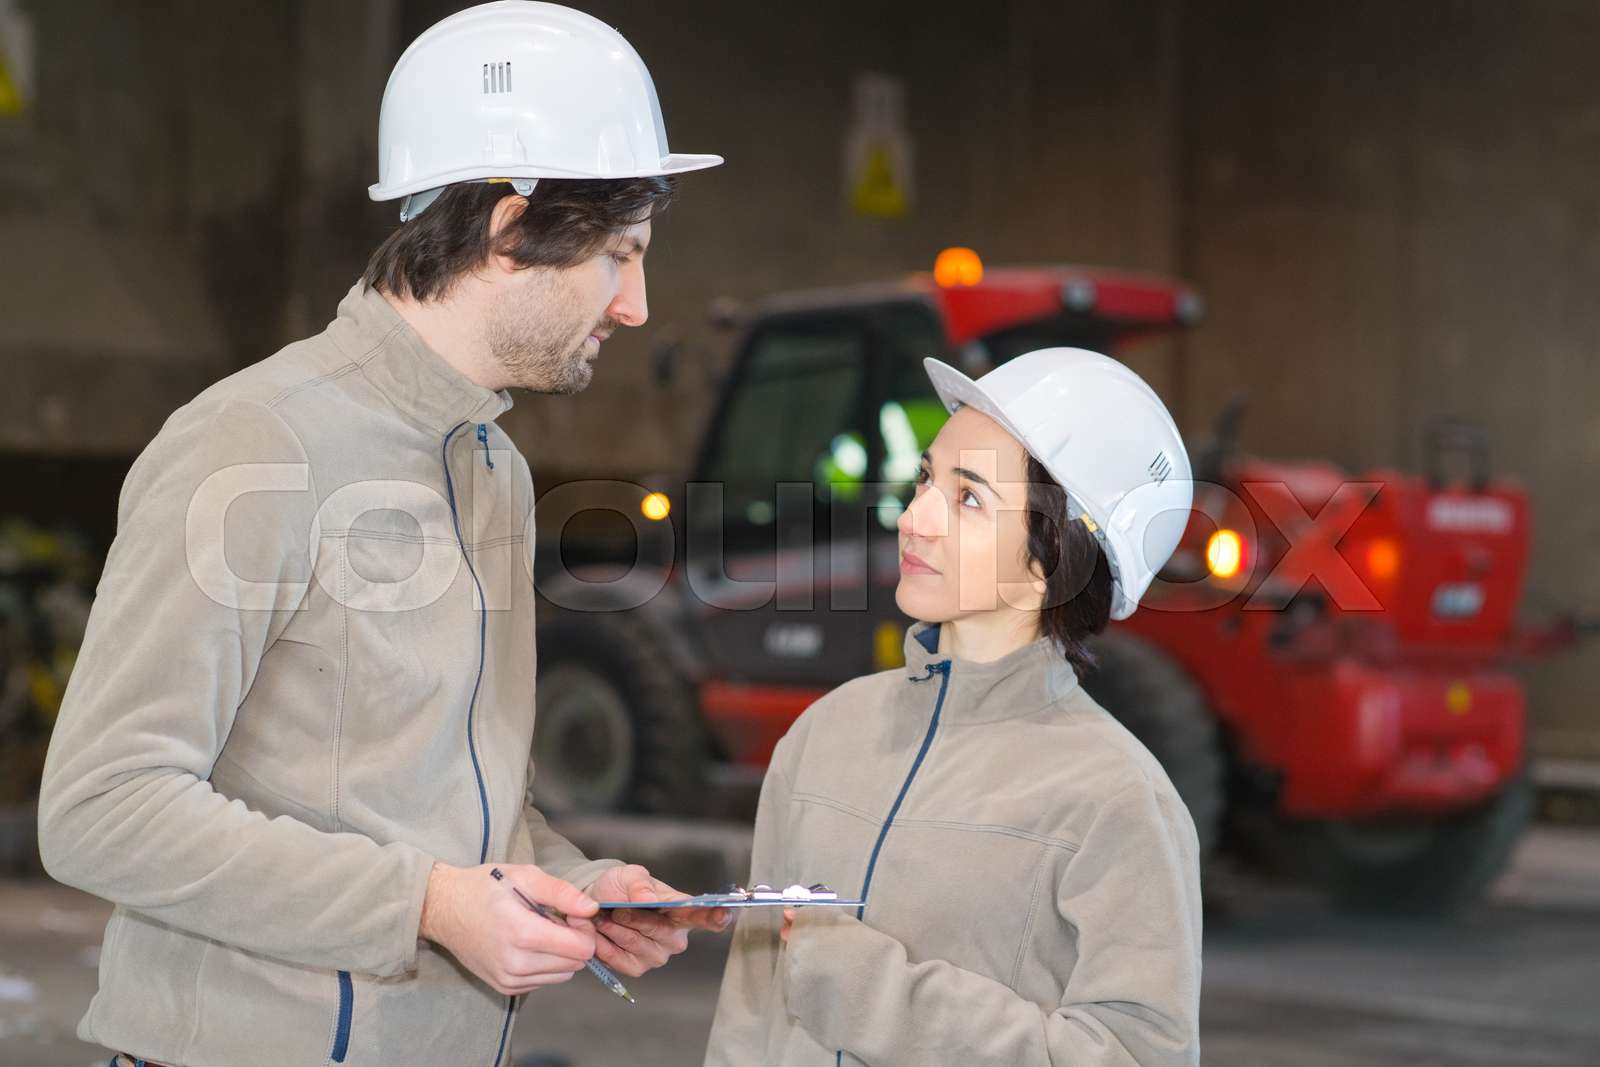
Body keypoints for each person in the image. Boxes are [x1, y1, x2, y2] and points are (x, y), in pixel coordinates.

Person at [36, 4, 726, 1065]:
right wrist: (429, 904)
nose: (635, 304)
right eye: (618, 256)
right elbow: (101, 805)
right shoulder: (253, 442)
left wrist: (578, 882)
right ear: (508, 229)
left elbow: (443, 795)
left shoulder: (489, 465)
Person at [705, 348, 1204, 1065]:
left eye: (967, 498)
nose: (916, 518)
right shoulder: (824, 734)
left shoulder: (1119, 800)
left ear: (1048, 563)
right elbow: (746, 1016)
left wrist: (874, 990)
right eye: (926, 480)